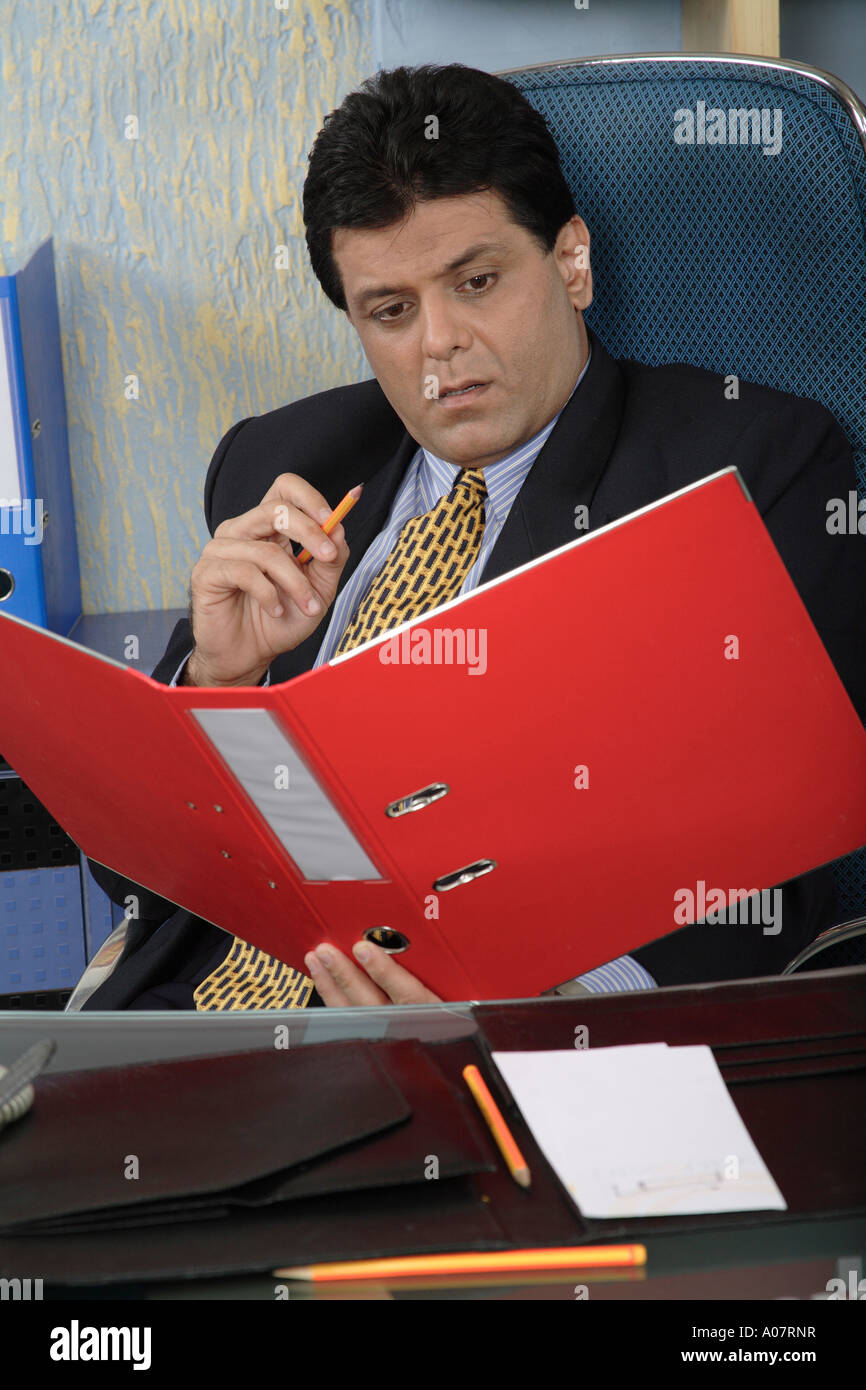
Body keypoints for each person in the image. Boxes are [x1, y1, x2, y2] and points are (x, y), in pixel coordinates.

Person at [80, 63, 865, 1012]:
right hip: (199, 1025)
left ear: (571, 263)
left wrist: (543, 1008)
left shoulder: (748, 468)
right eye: (391, 311)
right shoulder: (279, 464)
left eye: (477, 281)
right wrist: (218, 684)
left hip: (518, 1042)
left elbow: (782, 869)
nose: (438, 345)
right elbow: (136, 883)